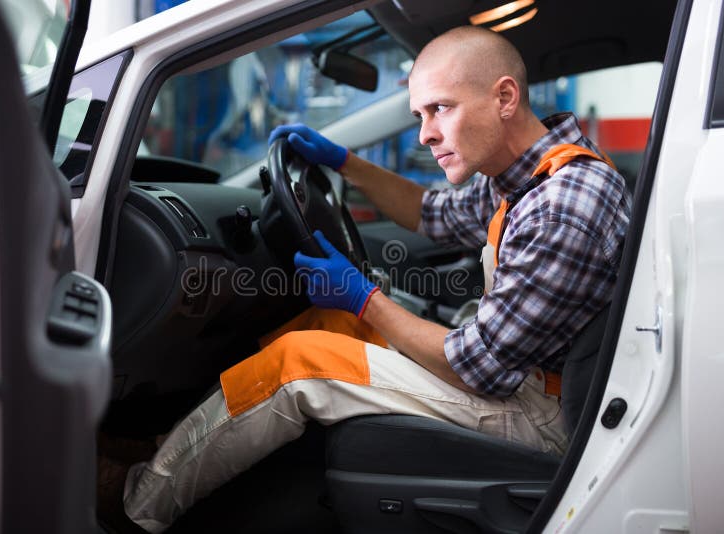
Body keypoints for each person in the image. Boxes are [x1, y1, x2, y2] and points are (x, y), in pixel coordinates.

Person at [121, 25, 630, 532]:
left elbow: (479, 368)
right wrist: (344, 162)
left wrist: (365, 299)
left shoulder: (562, 207)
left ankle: (138, 505)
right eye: (419, 115)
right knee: (327, 319)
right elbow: (431, 214)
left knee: (299, 363)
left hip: (541, 414)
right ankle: (177, 445)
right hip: (518, 374)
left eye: (440, 109)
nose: (425, 133)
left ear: (503, 96)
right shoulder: (528, 176)